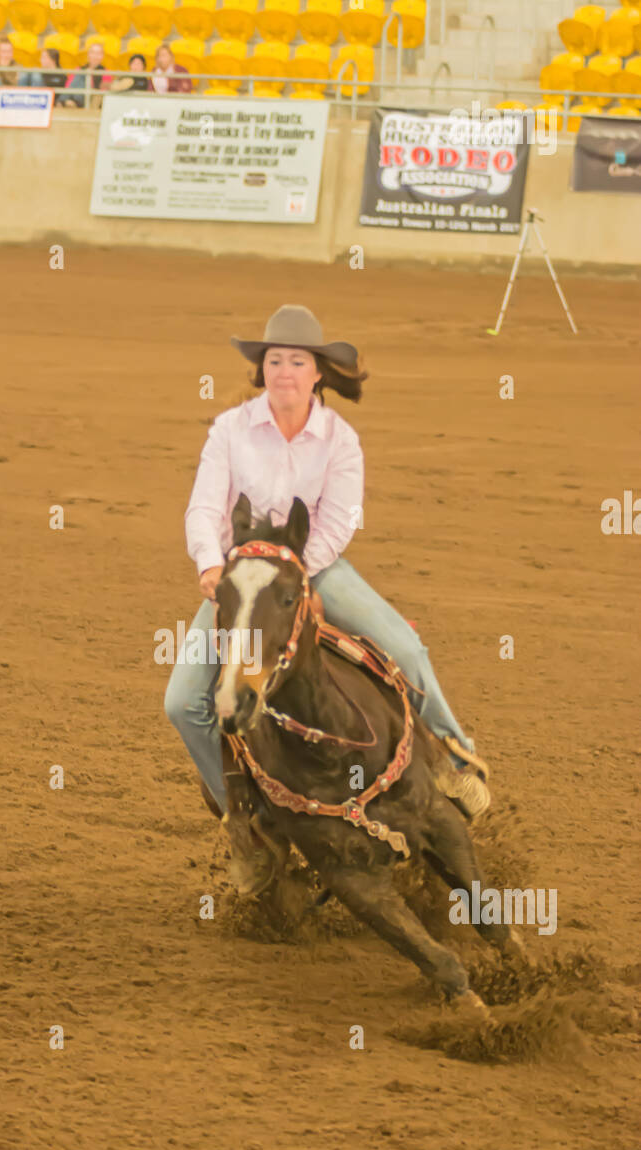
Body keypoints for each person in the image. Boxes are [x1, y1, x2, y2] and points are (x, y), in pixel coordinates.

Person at [164, 305, 491, 879]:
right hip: (242, 579)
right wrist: (210, 567)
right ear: (260, 370)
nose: (284, 371)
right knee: (183, 703)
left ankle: (454, 757)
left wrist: (301, 576)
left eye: (296, 361)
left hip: (316, 569)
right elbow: (204, 507)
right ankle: (247, 827)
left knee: (405, 649)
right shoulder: (229, 430)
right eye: (274, 360)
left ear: (318, 373)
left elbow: (340, 521)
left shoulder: (340, 440)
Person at [63, 42, 111, 108]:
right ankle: (69, 101)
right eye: (93, 52)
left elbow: (103, 90)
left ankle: (69, 101)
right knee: (79, 74)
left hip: (91, 97)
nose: (95, 56)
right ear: (88, 54)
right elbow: (68, 85)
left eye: (98, 53)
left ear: (102, 56)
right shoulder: (79, 69)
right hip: (76, 94)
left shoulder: (106, 72)